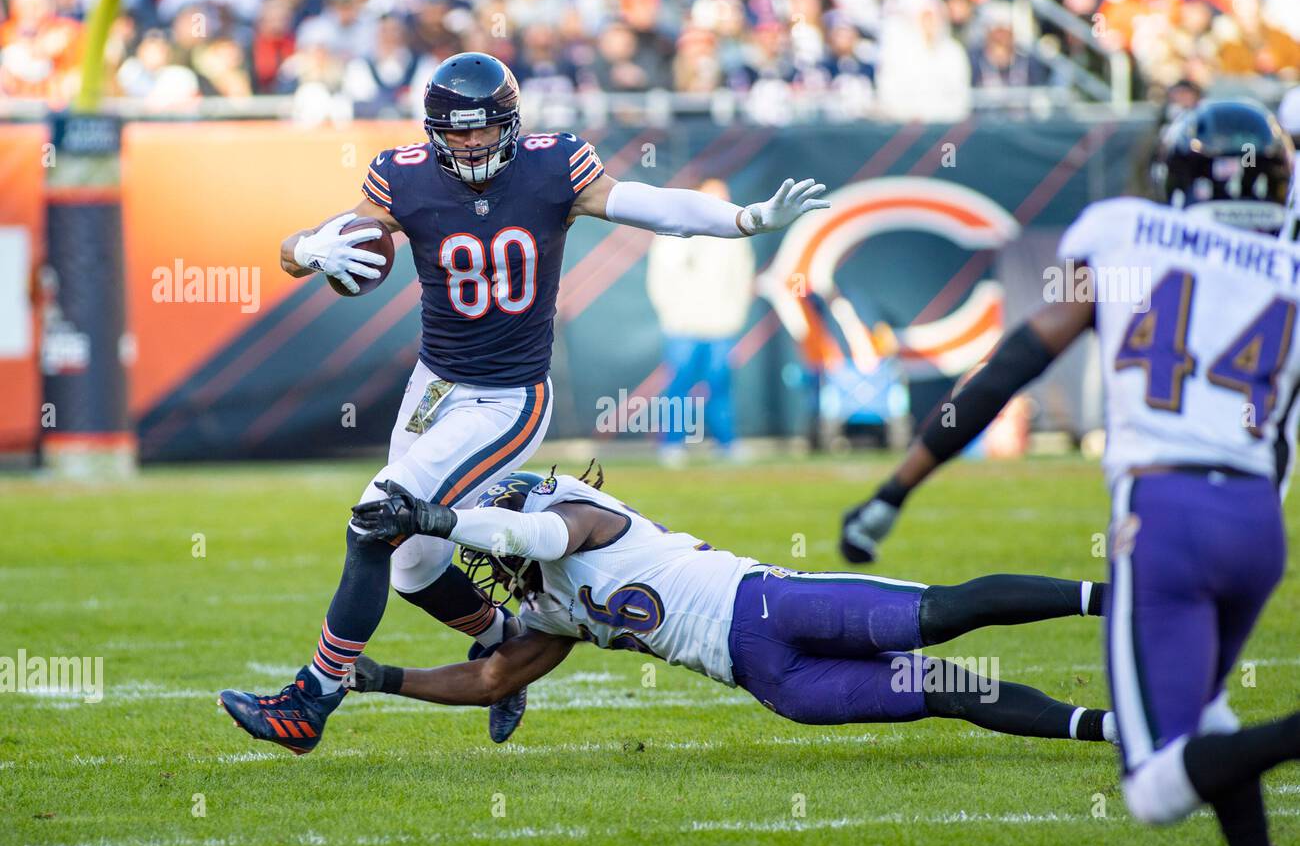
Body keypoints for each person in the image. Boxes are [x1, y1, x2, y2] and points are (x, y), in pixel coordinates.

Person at [219, 51, 830, 753]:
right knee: (412, 563)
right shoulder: (402, 176)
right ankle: (510, 651)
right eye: (458, 131)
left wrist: (745, 218)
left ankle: (313, 698)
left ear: (511, 124)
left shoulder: (554, 167)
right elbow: (292, 254)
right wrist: (310, 247)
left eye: (484, 130)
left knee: (371, 519)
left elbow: (651, 205)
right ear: (433, 129)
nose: (472, 143)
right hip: (434, 385)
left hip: (506, 399)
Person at [840, 100, 1300, 846]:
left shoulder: (1125, 231)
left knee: (1153, 790)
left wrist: (896, 489)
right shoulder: (1289, 268)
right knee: (1209, 717)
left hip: (1166, 512)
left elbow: (1012, 367)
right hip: (1257, 522)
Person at [340, 466, 1118, 749]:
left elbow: (534, 531)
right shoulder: (546, 611)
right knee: (949, 690)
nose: (490, 562)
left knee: (942, 614)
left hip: (770, 606)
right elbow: (489, 682)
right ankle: (1110, 730)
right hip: (773, 683)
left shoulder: (579, 519)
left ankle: (1106, 599)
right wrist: (379, 678)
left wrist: (437, 520)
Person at [646, 178, 755, 463]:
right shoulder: (673, 230)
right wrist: (672, 313)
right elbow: (660, 278)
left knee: (720, 385)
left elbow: (742, 278)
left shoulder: (734, 235)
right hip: (683, 325)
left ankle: (726, 443)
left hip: (721, 325)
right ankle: (672, 444)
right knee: (679, 386)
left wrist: (735, 316)